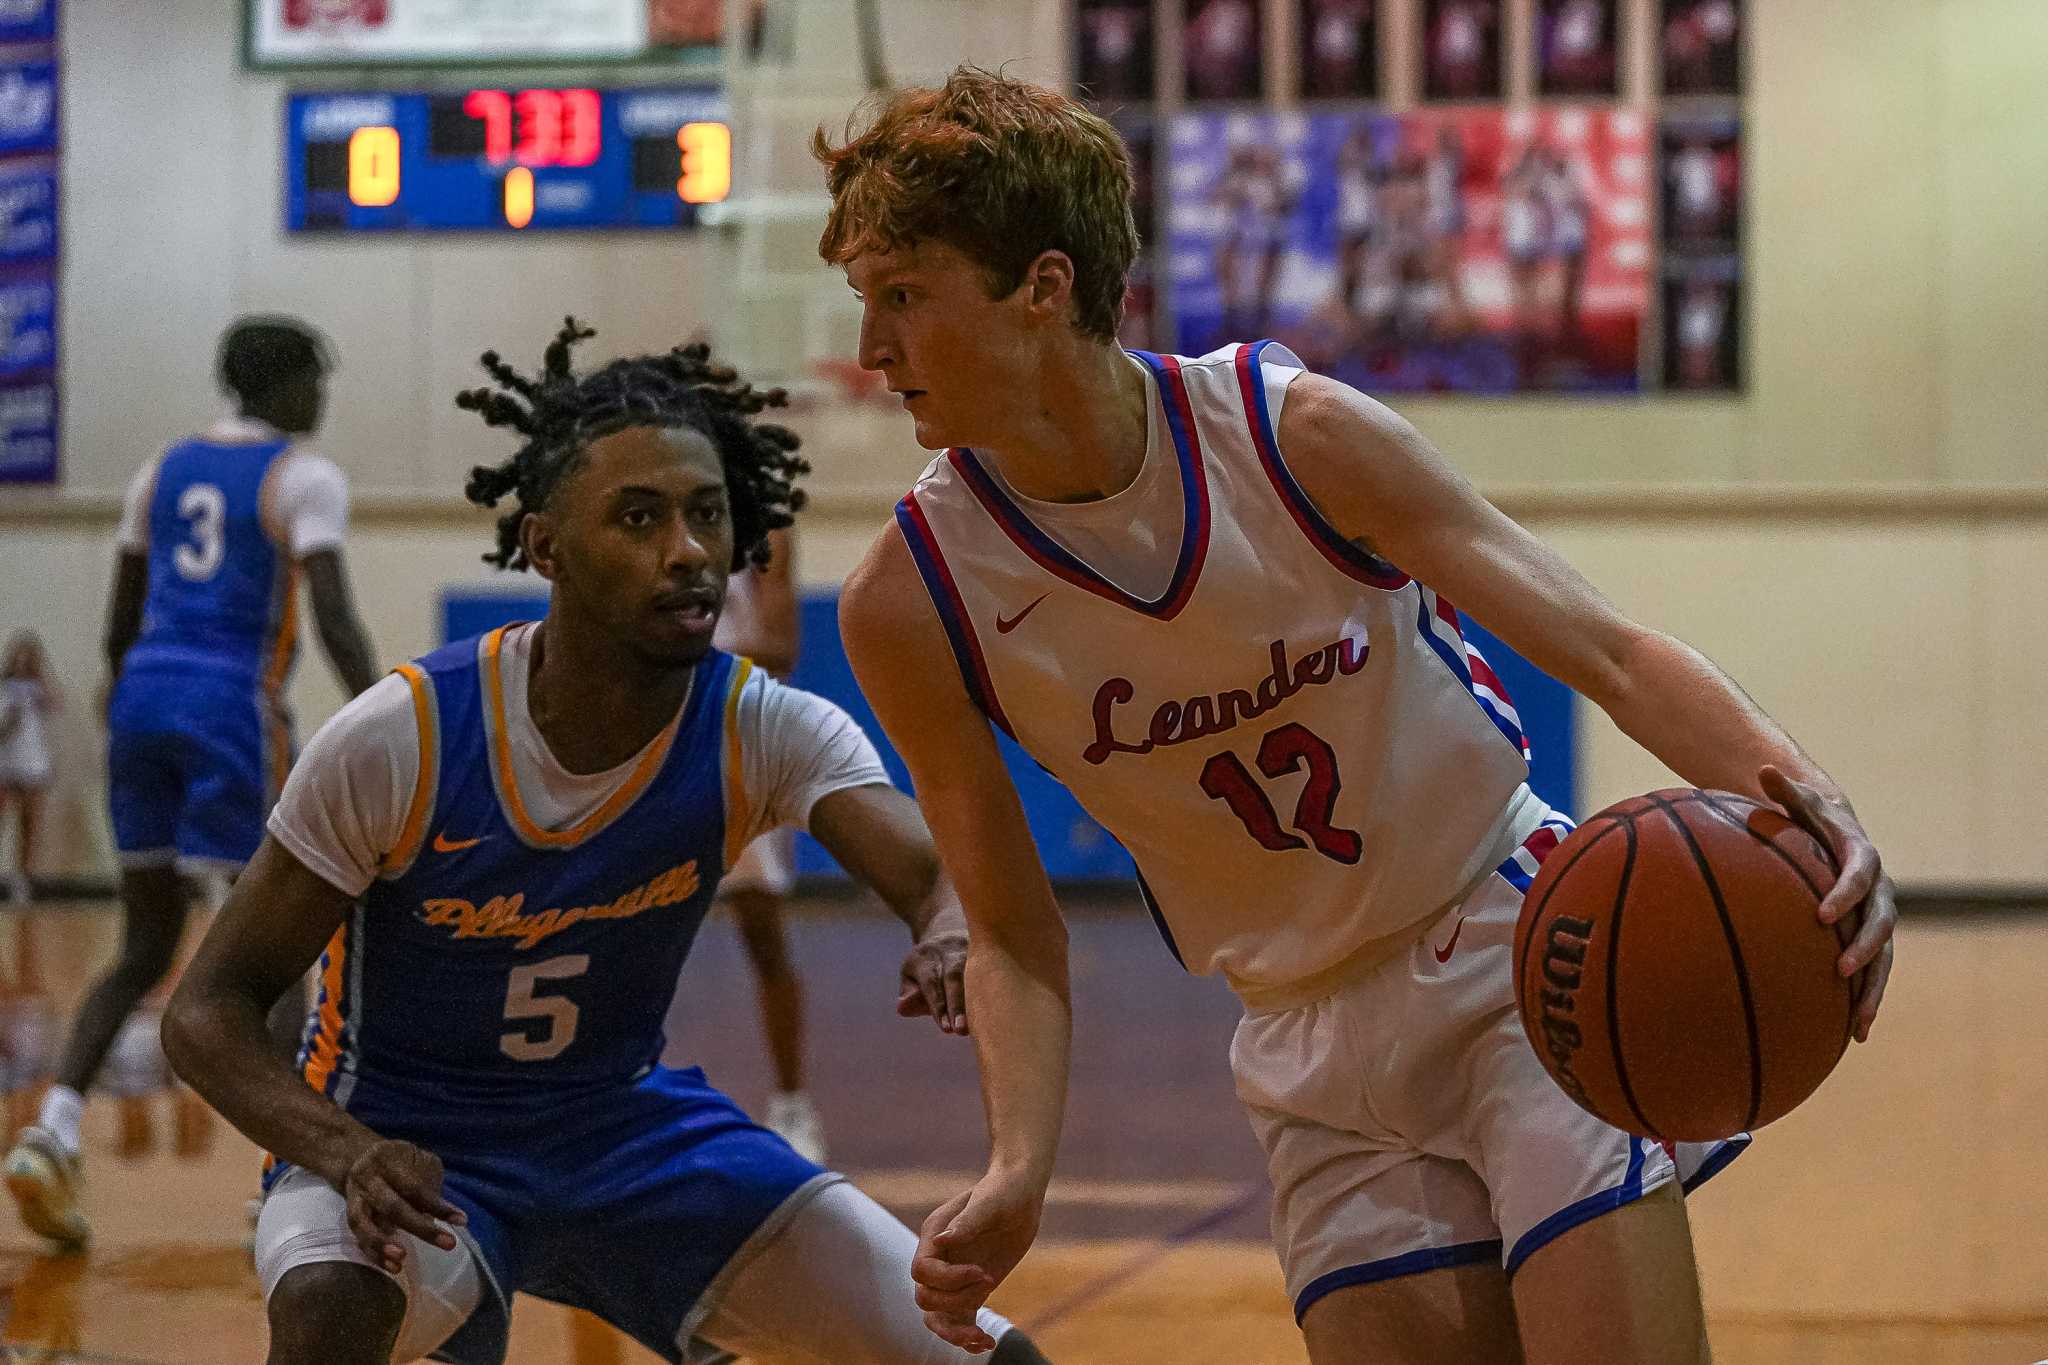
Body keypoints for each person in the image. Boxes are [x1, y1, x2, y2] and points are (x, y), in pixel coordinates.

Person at [813, 68, 1898, 1363]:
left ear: (1043, 288)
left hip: (1514, 958)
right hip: (1299, 1042)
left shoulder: (1296, 439)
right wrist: (1016, 1167)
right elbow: (1008, 929)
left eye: (903, 298)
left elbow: (1609, 651)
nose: (872, 351)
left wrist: (1803, 795)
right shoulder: (911, 600)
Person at [161, 322, 1052, 1365]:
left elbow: (932, 871)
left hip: (622, 1130)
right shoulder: (402, 737)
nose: (686, 551)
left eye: (706, 515)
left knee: (985, 1353)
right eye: (638, 517)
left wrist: (947, 928)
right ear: (545, 546)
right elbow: (207, 1010)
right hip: (406, 1140)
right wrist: (342, 1151)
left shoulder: (758, 724)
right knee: (329, 1312)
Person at [4, 316, 380, 1248]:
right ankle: (297, 1167)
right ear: (284, 383)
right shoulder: (304, 475)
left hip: (140, 703)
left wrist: (128, 699)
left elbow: (120, 616)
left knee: (143, 945)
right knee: (283, 947)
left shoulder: (156, 471)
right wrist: (385, 710)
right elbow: (330, 609)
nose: (323, 400)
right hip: (229, 713)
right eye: (317, 381)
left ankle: (50, 1131)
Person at [709, 525, 827, 1161]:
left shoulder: (769, 520)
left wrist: (671, 646)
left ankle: (792, 1105)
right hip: (646, 732)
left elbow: (778, 646)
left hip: (735, 733)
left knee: (764, 936)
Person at [0, 630, 58, 904]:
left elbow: (55, 705)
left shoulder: (38, 687)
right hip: (5, 761)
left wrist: (40, 679)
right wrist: (8, 724)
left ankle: (21, 880)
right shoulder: (2, 687)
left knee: (29, 823)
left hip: (33, 762)